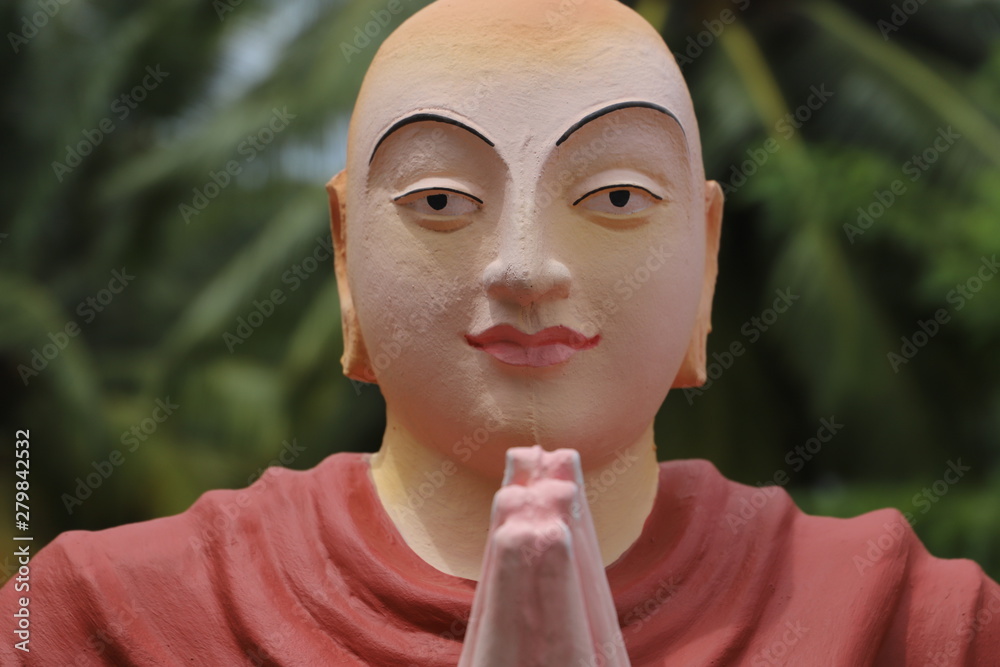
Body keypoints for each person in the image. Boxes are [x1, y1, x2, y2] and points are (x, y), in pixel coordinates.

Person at [2, 0, 998, 664]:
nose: (524, 265)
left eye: (614, 195)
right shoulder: (99, 622)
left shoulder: (907, 626)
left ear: (704, 259)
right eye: (440, 199)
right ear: (346, 255)